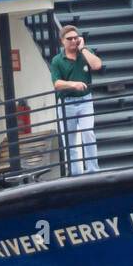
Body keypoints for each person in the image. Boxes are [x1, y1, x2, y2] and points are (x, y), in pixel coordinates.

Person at [50, 24, 102, 174]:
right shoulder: (57, 60)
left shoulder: (84, 53)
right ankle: (76, 172)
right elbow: (57, 83)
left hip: (85, 100)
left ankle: (93, 169)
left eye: (75, 38)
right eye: (69, 39)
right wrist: (73, 84)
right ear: (62, 41)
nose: (73, 41)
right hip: (67, 103)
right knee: (70, 140)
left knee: (88, 132)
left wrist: (83, 49)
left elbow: (97, 65)